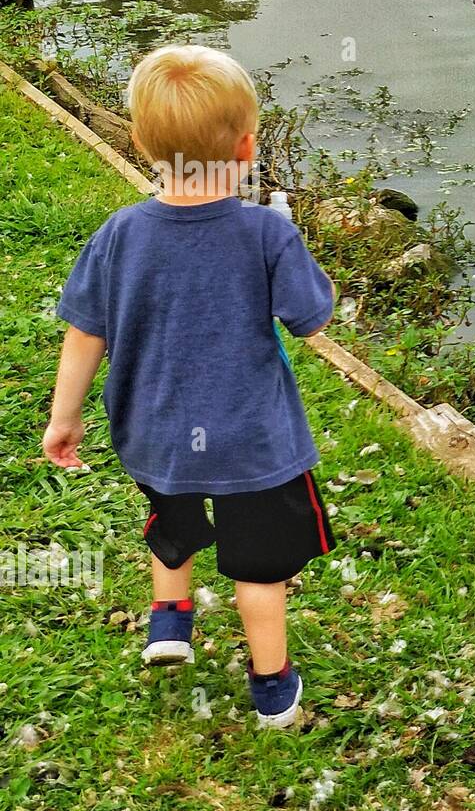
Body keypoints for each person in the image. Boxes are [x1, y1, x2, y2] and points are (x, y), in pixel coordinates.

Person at [42, 45, 336, 728]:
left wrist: (65, 416)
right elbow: (311, 317)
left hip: (155, 429)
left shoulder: (119, 234)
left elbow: (85, 333)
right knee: (259, 573)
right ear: (244, 148)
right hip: (252, 443)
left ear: (140, 142)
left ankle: (169, 622)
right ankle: (272, 688)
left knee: (171, 523)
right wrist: (295, 246)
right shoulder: (266, 232)